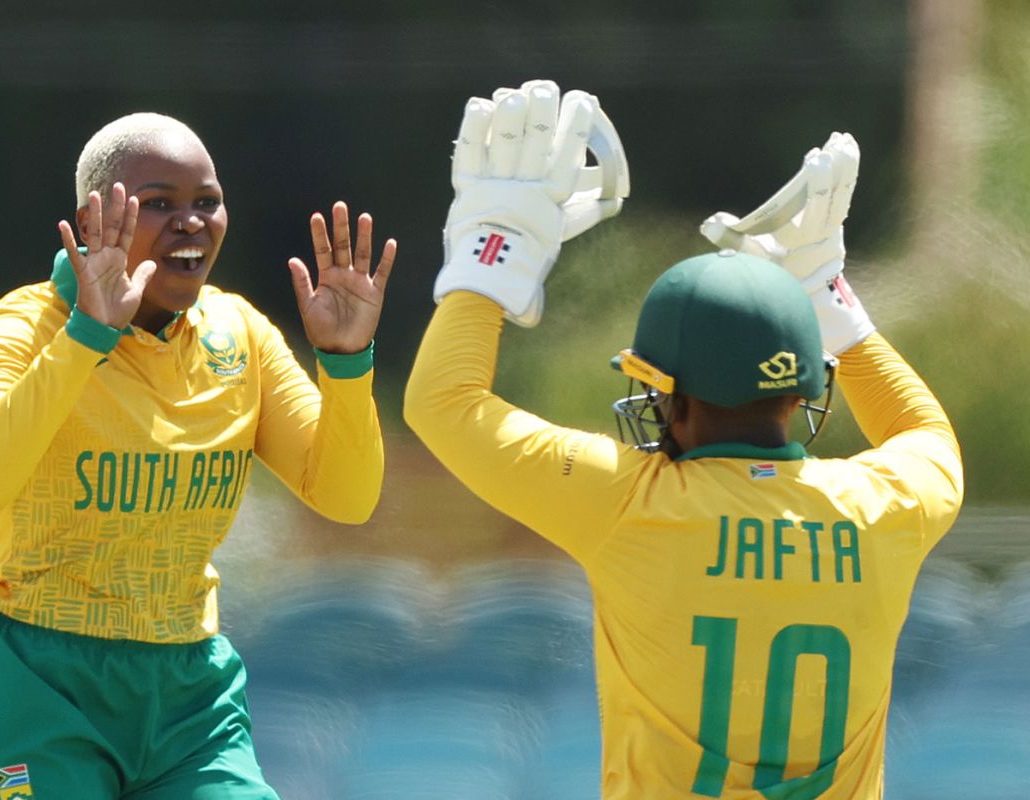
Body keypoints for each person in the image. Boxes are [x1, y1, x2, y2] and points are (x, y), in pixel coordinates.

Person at [404, 81, 963, 799]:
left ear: (672, 397)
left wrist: (492, 255)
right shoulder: (883, 507)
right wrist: (828, 293)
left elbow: (443, 403)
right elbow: (929, 436)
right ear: (801, 393)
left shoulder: (627, 502)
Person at [0, 112, 396, 799]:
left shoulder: (241, 336)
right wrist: (86, 337)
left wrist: (346, 364)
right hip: (29, 687)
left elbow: (348, 498)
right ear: (91, 222)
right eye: (159, 204)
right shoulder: (20, 329)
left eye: (206, 201)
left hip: (188, 702)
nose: (191, 222)